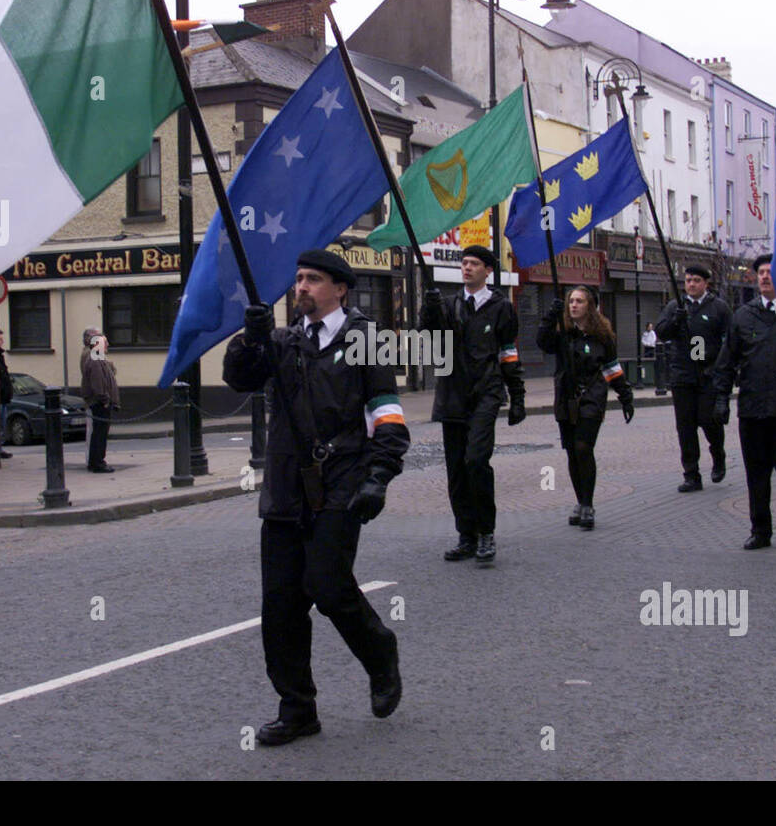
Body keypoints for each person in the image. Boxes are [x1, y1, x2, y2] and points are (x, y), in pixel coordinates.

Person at [223, 249, 409, 746]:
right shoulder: (282, 342)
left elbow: (387, 413)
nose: (301, 287)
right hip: (285, 487)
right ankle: (298, 709)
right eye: (298, 278)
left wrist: (379, 476)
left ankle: (379, 652)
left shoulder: (367, 339)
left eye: (312, 279)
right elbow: (238, 377)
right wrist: (250, 338)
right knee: (280, 604)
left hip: (341, 482)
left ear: (340, 289)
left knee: (327, 585)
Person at [419, 245, 525, 566]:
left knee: (476, 461)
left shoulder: (501, 307)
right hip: (452, 395)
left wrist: (517, 395)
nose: (467, 268)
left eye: (474, 263)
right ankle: (466, 535)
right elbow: (430, 338)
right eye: (464, 263)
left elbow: (508, 352)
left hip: (485, 393)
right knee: (456, 470)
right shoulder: (450, 305)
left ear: (488, 270)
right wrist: (430, 310)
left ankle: (486, 532)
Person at [712, 254, 776, 549]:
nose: (765, 277)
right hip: (754, 409)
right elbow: (727, 360)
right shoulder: (743, 316)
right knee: (756, 473)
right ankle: (761, 530)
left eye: (771, 272)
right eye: (761, 273)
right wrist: (721, 397)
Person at [537, 286, 635, 530]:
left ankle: (588, 504)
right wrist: (550, 316)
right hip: (565, 397)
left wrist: (625, 395)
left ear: (590, 306)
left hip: (591, 396)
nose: (574, 305)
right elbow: (543, 342)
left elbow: (612, 368)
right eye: (571, 301)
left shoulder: (602, 336)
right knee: (571, 450)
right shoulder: (563, 334)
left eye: (579, 301)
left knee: (583, 447)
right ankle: (580, 502)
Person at [654, 265, 732, 492]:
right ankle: (691, 474)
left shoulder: (719, 308)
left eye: (696, 280)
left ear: (706, 283)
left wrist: (721, 366)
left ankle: (718, 455)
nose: (691, 284)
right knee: (685, 427)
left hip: (708, 375)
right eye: (688, 280)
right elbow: (661, 331)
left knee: (710, 421)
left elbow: (730, 339)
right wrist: (675, 320)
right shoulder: (675, 306)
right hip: (682, 375)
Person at [80, 333, 119, 473]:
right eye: (105, 342)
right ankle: (97, 462)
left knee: (99, 433)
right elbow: (98, 384)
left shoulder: (99, 358)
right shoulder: (95, 360)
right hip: (100, 403)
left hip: (101, 402)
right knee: (99, 434)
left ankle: (96, 461)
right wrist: (105, 400)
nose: (107, 345)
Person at [0, 330, 13, 460]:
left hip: (4, 398)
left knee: (2, 424)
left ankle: (0, 447)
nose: (2, 342)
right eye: (0, 339)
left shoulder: (0, 356)